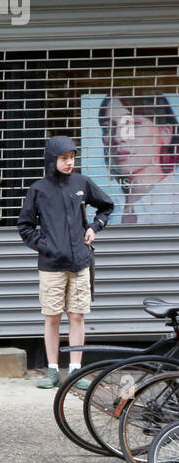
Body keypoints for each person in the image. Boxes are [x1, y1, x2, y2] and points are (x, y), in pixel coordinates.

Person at [17, 135, 115, 389]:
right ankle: (51, 370)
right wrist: (46, 246)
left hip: (81, 263)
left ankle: (75, 370)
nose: (69, 162)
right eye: (64, 158)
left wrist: (95, 226)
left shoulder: (82, 183)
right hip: (51, 266)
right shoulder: (38, 189)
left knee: (77, 316)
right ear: (52, 159)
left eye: (72, 157)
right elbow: (25, 226)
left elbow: (106, 206)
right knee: (52, 318)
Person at [98, 95, 179, 225]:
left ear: (165, 132)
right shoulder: (99, 206)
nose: (118, 137)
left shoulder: (174, 206)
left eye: (133, 124)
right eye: (107, 128)